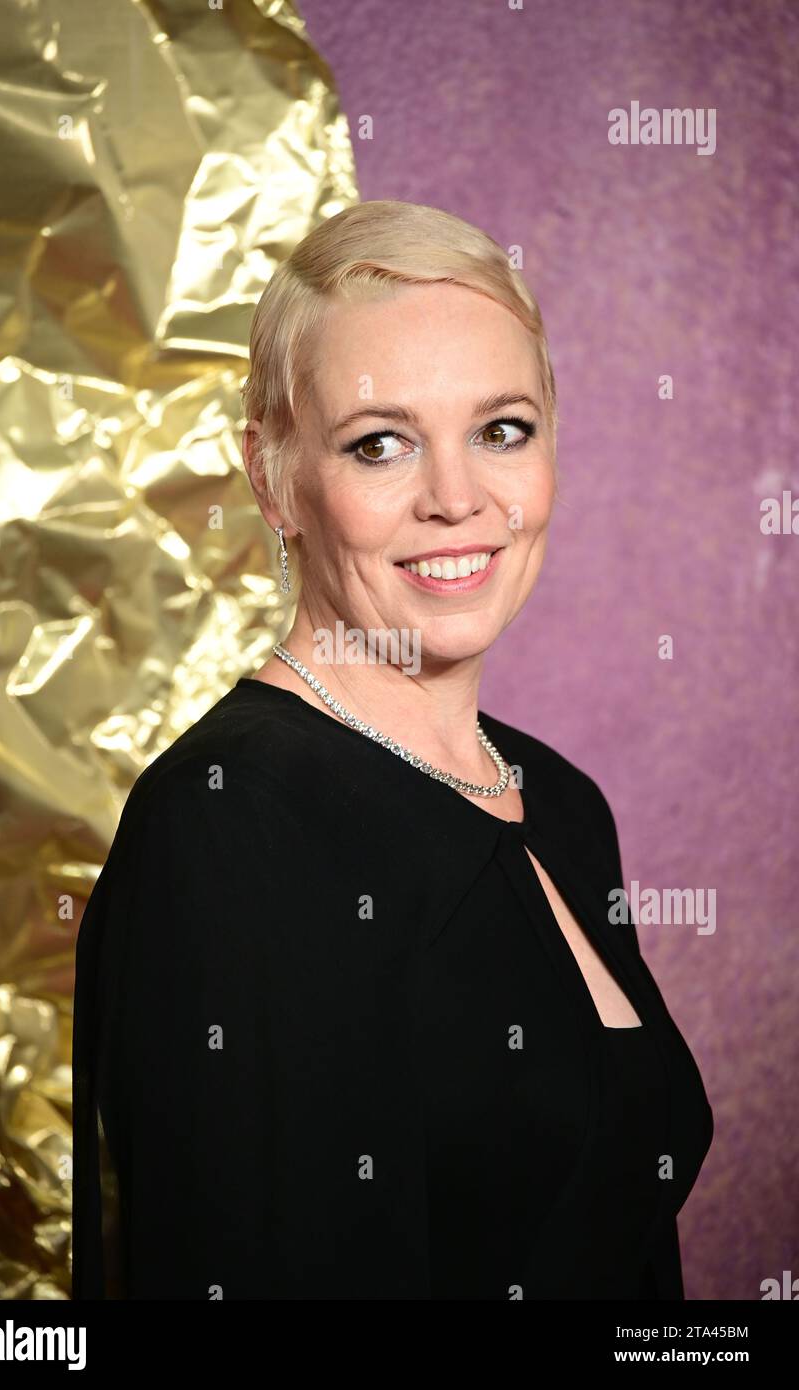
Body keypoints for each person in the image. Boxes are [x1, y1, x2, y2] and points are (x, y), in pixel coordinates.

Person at [71, 200, 714, 1300]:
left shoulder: (559, 802)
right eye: (381, 443)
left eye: (502, 429)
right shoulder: (230, 824)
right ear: (273, 479)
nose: (458, 498)